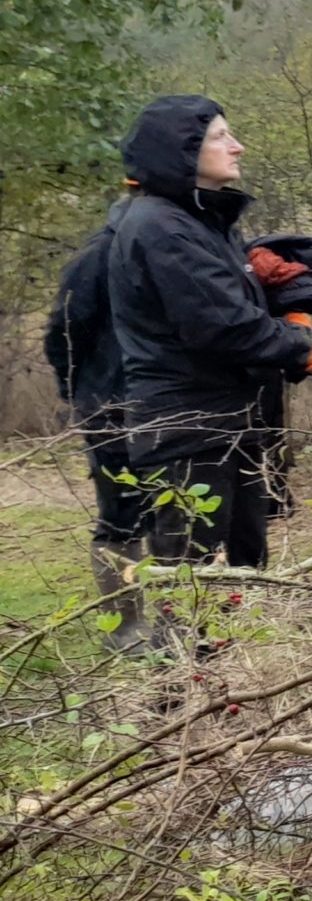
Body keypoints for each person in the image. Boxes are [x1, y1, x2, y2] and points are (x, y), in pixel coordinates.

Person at [107, 97, 312, 571]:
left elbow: (224, 305)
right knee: (191, 588)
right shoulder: (161, 226)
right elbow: (224, 328)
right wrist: (302, 344)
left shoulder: (203, 222)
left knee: (242, 577)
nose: (238, 147)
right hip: (189, 435)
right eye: (220, 136)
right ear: (181, 152)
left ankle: (225, 647)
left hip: (228, 425)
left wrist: (278, 288)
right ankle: (186, 648)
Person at [44, 188, 157, 653]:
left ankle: (184, 629)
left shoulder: (181, 246)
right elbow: (62, 333)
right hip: (111, 408)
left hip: (169, 404)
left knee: (177, 515)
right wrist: (83, 395)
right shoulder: (100, 253)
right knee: (121, 520)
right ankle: (125, 632)